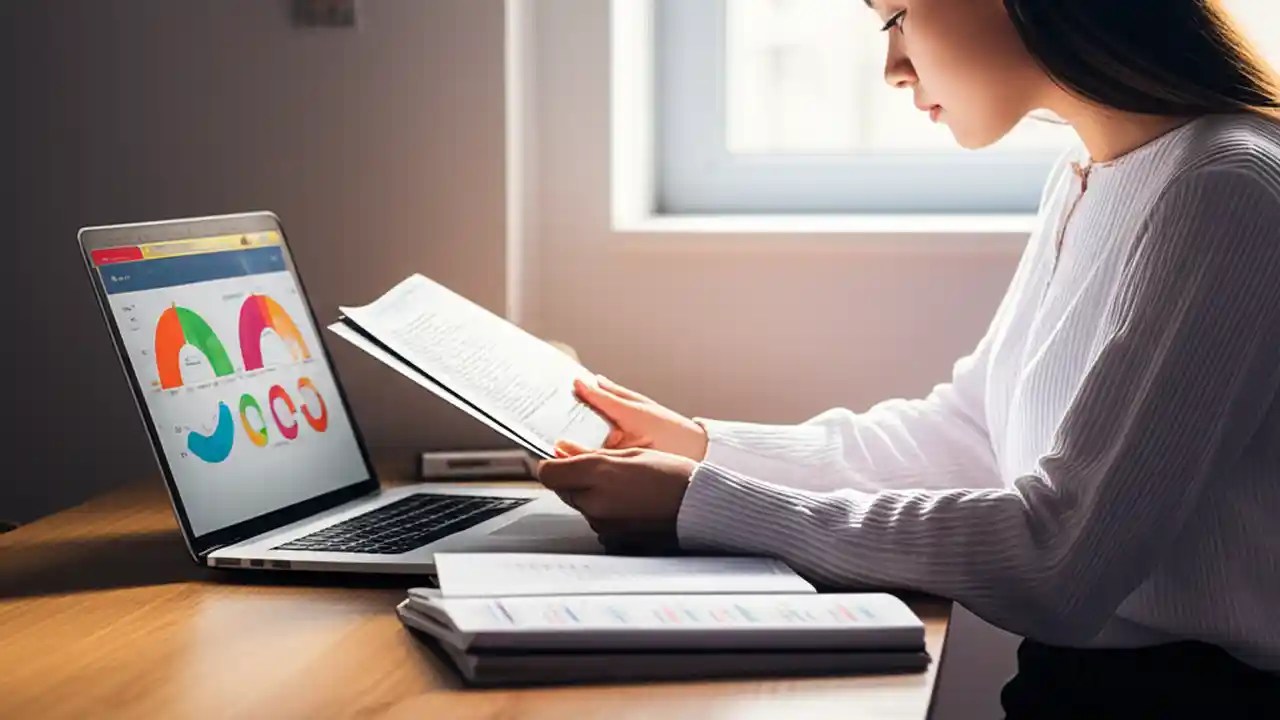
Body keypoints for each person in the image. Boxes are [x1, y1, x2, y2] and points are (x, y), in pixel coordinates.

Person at [537, 0, 1280, 713]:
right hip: (1098, 685)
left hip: (1197, 697)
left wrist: (709, 504)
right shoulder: (1097, 173)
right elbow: (969, 435)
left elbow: (1060, 562)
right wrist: (704, 447)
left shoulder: (1225, 187)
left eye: (896, 18)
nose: (893, 67)